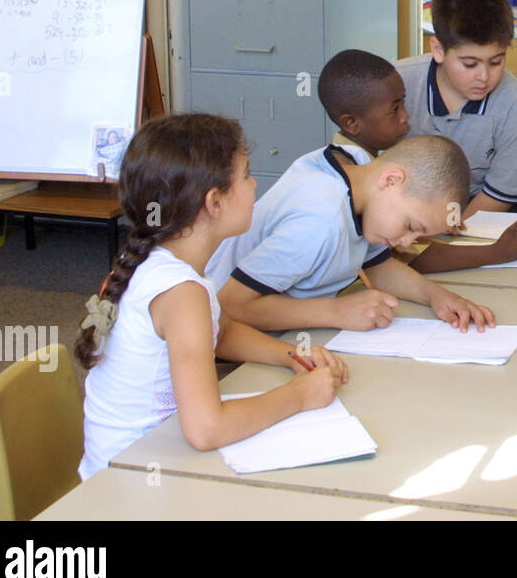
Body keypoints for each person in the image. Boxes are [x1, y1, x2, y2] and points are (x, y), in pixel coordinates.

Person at [77, 114, 349, 480]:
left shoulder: (164, 263)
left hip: (139, 463)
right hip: (132, 483)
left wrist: (291, 356)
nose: (255, 186)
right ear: (215, 202)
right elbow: (206, 429)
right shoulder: (182, 292)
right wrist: (299, 396)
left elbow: (218, 331)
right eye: (247, 176)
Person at [209, 135, 497, 333]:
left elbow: (376, 265)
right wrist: (336, 312)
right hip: (225, 347)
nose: (407, 243)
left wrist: (436, 296)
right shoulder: (320, 220)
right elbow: (230, 307)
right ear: (391, 179)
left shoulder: (359, 167)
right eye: (410, 226)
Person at [318, 48, 517, 272]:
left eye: (403, 104)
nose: (406, 116)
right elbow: (407, 256)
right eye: (395, 110)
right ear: (351, 123)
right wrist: (497, 253)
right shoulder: (345, 188)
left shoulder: (355, 158)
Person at [396, 0, 517, 218]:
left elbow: (502, 194)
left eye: (496, 61)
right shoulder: (398, 84)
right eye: (469, 64)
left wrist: (450, 235)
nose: (484, 77)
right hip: (408, 209)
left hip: (483, 213)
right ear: (438, 50)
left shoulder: (513, 102)